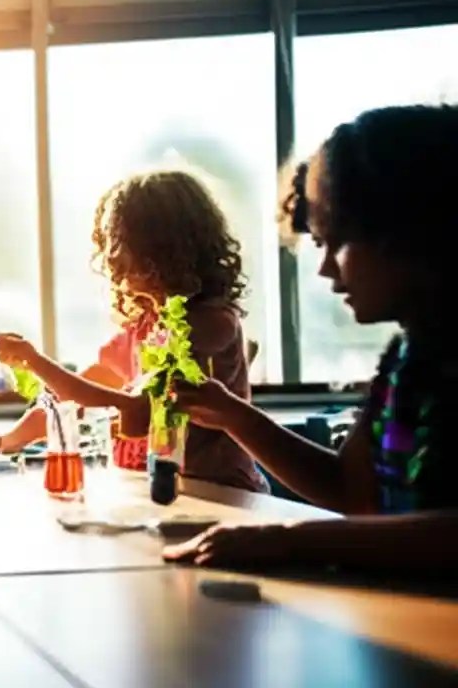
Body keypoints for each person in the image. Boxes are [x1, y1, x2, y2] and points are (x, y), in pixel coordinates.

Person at [166, 104, 458, 574]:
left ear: (406, 230)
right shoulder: (404, 362)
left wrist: (294, 540)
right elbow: (350, 489)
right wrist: (234, 415)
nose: (324, 269)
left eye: (334, 243)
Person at [0, 169, 267, 492]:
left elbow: (135, 409)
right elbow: (80, 399)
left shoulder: (212, 322)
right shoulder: (147, 327)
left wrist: (34, 361)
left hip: (226, 492)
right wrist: (2, 442)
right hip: (174, 492)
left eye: (117, 242)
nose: (109, 256)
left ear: (157, 248)